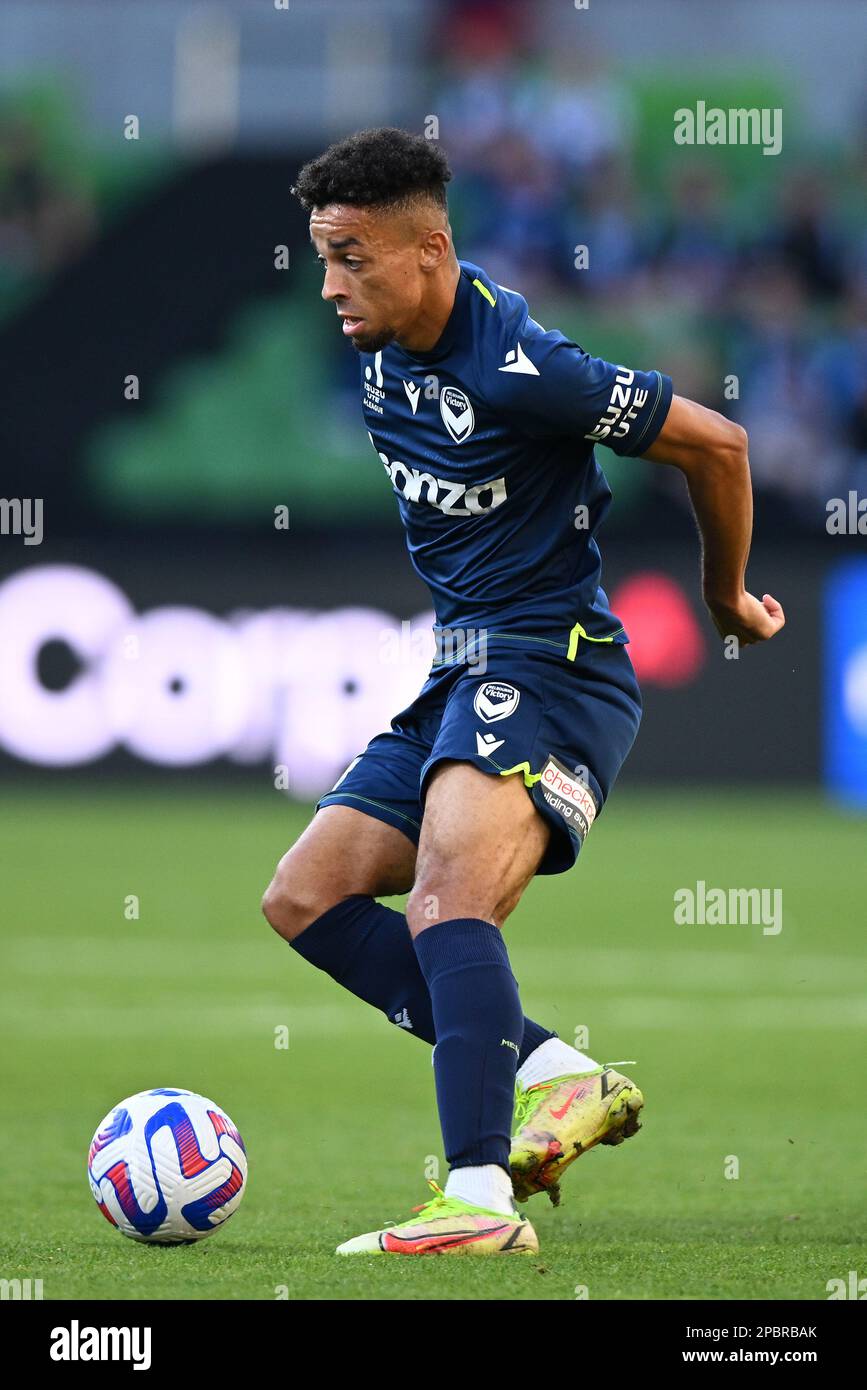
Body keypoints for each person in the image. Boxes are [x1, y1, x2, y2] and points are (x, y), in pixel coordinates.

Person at [262, 128, 785, 1256]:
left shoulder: (524, 366)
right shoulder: (381, 345)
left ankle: (478, 1203)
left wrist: (727, 597)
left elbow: (722, 445)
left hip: (554, 661)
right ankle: (562, 1072)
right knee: (305, 896)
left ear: (430, 250)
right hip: (464, 662)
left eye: (351, 255)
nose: (330, 284)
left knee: (448, 903)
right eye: (321, 257)